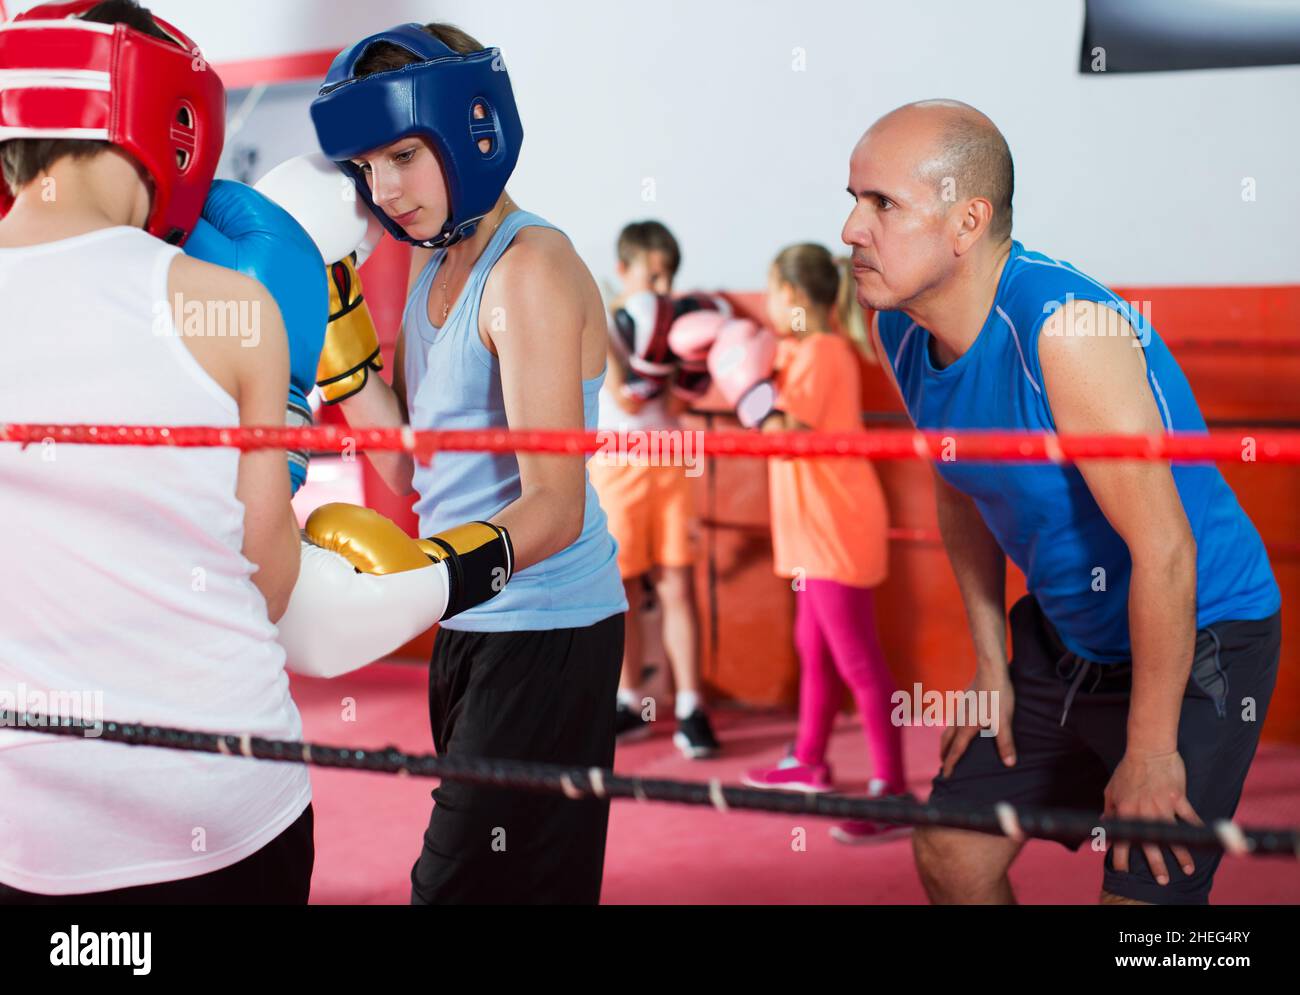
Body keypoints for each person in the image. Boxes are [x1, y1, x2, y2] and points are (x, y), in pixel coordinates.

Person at [846, 100, 1281, 903]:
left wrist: (1150, 748)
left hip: (1200, 634)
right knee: (951, 851)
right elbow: (959, 481)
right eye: (852, 198)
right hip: (1068, 634)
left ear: (967, 222)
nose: (851, 229)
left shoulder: (1066, 332)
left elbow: (1167, 550)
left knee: (1141, 910)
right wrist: (987, 663)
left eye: (882, 204)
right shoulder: (901, 329)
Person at [0, 0, 315, 903]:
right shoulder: (231, 306)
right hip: (227, 799)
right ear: (173, 117)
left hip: (28, 823)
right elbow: (268, 578)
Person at [309, 20, 627, 904]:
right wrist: (339, 336)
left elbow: (556, 505)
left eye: (403, 155)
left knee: (455, 888)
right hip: (470, 617)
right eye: (367, 167)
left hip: (546, 628)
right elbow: (414, 469)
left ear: (471, 128)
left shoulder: (528, 268)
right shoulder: (432, 264)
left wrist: (423, 577)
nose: (385, 189)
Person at [726, 243, 905, 844]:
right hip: (814, 529)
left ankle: (894, 790)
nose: (770, 301)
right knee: (815, 645)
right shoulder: (805, 351)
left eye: (773, 289)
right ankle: (809, 758)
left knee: (857, 659)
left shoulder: (823, 353)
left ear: (795, 297)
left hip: (835, 528)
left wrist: (742, 385)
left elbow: (782, 433)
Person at [589, 221, 720, 758]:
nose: (663, 289)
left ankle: (690, 705)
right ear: (624, 270)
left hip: (668, 462)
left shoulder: (676, 321)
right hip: (617, 465)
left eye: (670, 278)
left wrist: (687, 363)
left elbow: (681, 402)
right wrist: (630, 342)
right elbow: (624, 392)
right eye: (653, 275)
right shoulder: (601, 321)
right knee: (619, 589)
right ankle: (628, 700)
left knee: (675, 584)